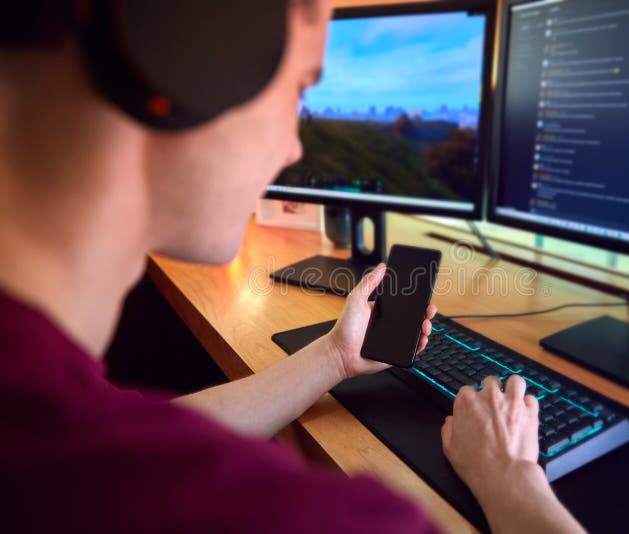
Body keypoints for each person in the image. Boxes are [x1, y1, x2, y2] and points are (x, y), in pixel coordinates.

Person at [0, 1, 583, 532]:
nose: (294, 149)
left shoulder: (42, 426)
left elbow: (133, 440)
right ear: (177, 58)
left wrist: (332, 356)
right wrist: (512, 481)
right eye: (300, 89)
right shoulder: (311, 518)